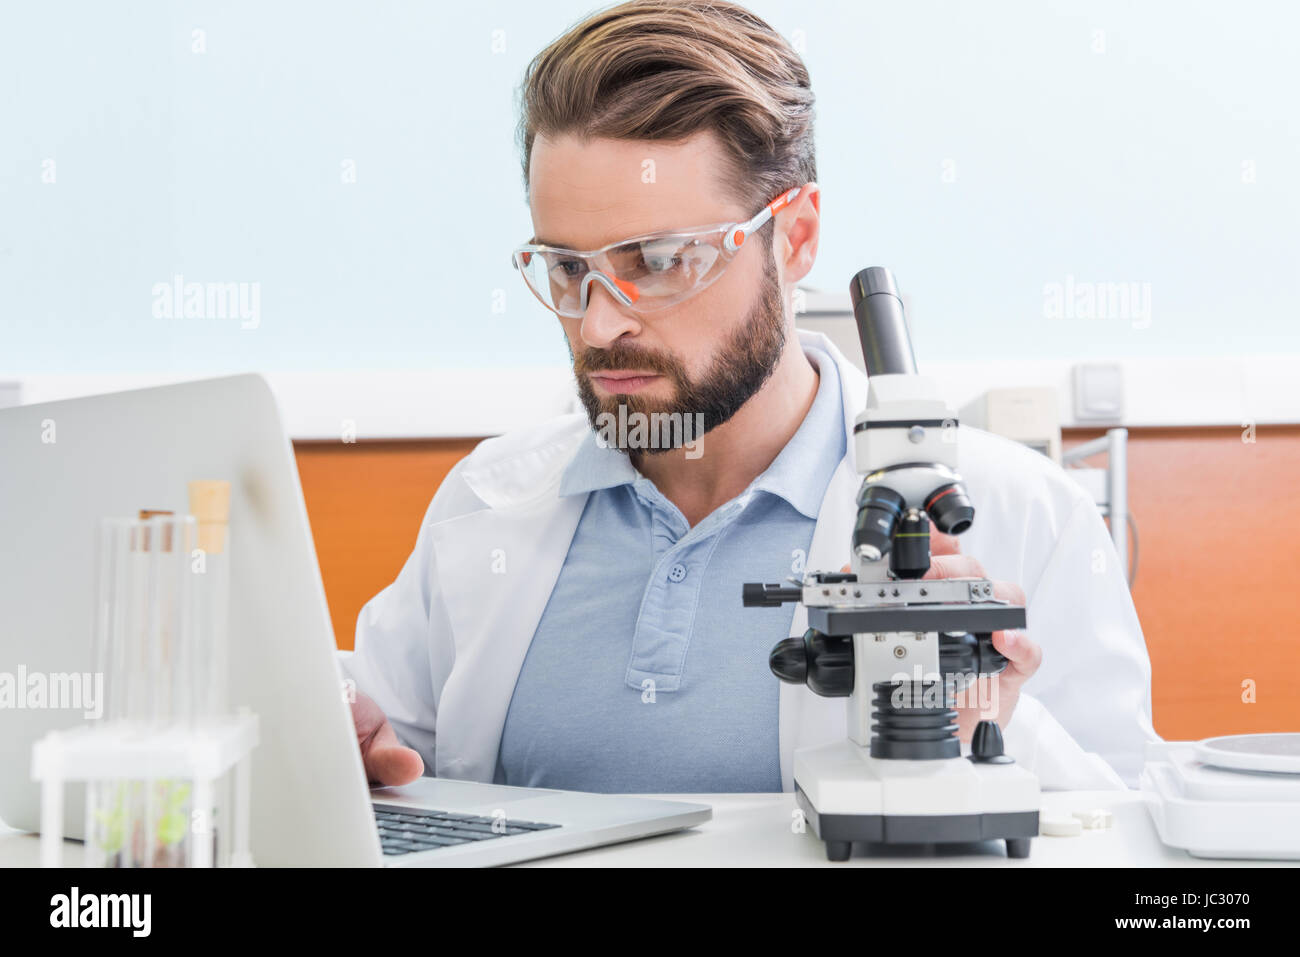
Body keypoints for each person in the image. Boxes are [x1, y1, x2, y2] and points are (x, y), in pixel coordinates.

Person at [340, 0, 1158, 794]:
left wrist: (993, 723)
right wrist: (352, 747)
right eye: (566, 268)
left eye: (658, 261)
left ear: (793, 237)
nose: (599, 323)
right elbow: (387, 747)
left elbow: (1127, 831)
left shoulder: (1026, 517)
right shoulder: (486, 503)